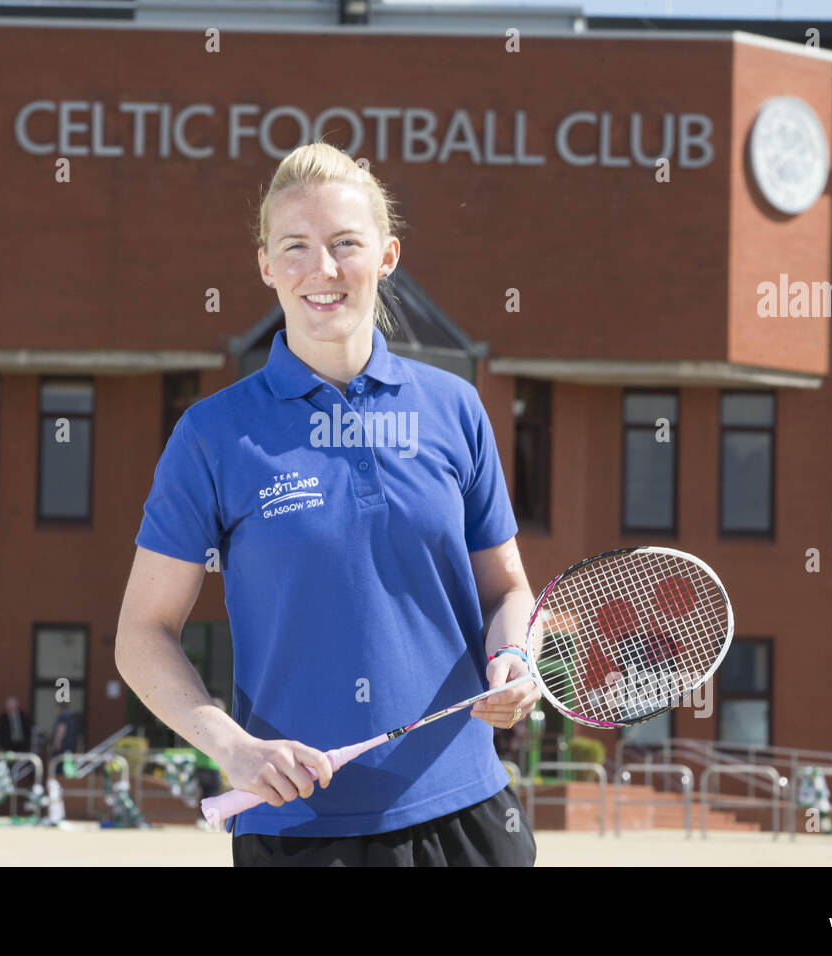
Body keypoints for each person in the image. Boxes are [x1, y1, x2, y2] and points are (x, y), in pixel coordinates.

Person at [115, 141, 539, 867]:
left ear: (387, 257)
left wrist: (514, 653)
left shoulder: (455, 409)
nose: (324, 269)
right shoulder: (213, 434)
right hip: (296, 830)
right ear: (265, 265)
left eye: (346, 244)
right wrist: (234, 747)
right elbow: (142, 634)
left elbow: (506, 588)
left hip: (467, 813)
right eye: (296, 247)